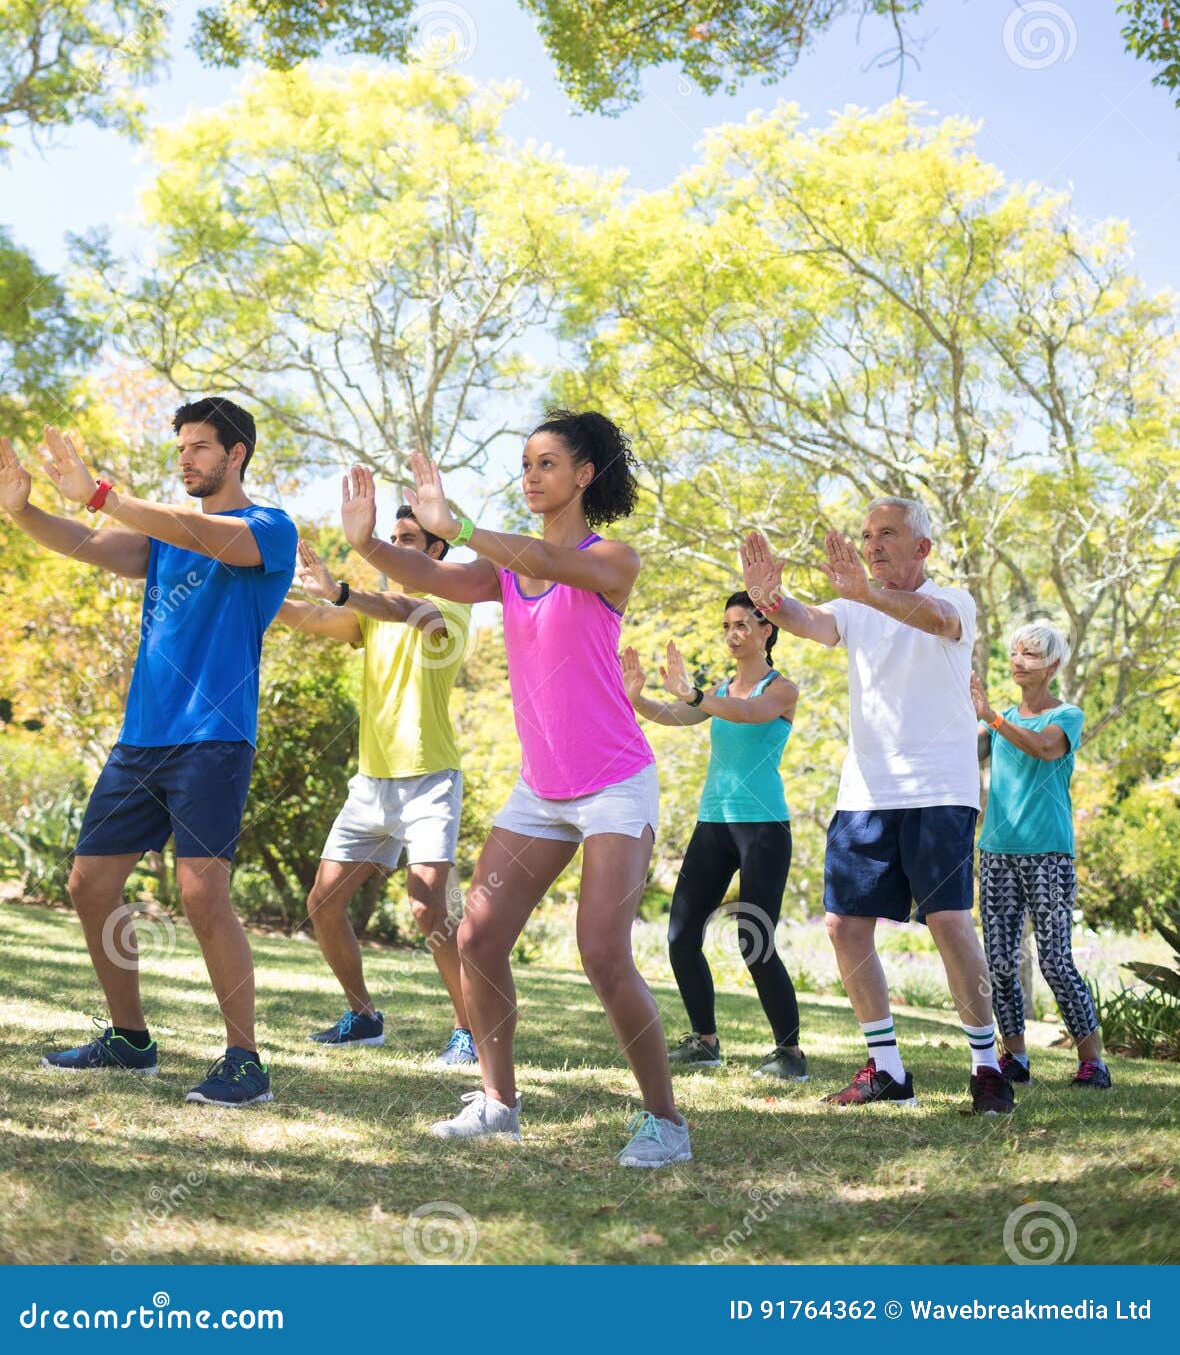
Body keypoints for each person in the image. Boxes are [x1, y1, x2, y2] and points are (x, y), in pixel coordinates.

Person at [340, 410, 690, 1167]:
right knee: (476, 936)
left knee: (601, 951)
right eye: (525, 464)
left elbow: (544, 559)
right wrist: (366, 544)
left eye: (548, 464)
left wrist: (459, 521)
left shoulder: (612, 560)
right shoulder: (503, 567)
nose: (531, 476)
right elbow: (430, 576)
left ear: (584, 475)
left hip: (613, 785)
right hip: (542, 790)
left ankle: (666, 1121)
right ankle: (499, 1104)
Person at [0, 402, 296, 1107]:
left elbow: (196, 530)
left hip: (214, 740)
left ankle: (245, 1061)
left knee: (202, 892)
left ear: (238, 454)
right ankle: (130, 1041)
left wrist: (106, 494)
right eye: (182, 449)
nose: (187, 459)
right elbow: (90, 544)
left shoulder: (268, 529)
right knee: (88, 885)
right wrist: (23, 513)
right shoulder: (160, 537)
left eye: (201, 447)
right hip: (142, 741)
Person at [742, 501, 1015, 1115]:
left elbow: (937, 619)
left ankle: (985, 1065)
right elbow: (809, 621)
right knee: (843, 925)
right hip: (866, 792)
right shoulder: (853, 608)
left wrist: (864, 593)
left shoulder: (955, 601)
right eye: (866, 536)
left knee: (948, 922)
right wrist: (770, 602)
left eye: (886, 533)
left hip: (940, 790)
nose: (872, 544)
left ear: (922, 548)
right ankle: (887, 1069)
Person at [275, 509, 475, 1066]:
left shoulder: (450, 607)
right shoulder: (366, 615)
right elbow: (311, 619)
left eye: (407, 541)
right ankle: (363, 1017)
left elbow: (406, 609)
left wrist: (340, 589)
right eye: (390, 540)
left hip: (430, 779)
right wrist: (254, 590)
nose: (393, 549)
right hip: (371, 783)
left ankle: (470, 1029)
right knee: (323, 902)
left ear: (435, 554)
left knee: (428, 911)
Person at [621, 592, 807, 1081]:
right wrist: (636, 696)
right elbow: (676, 716)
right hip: (714, 822)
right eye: (727, 625)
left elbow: (747, 714)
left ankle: (790, 1053)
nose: (732, 633)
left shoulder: (781, 689)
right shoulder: (722, 687)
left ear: (767, 630)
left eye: (742, 624)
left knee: (755, 939)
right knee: (681, 934)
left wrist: (695, 695)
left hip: (763, 826)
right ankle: (705, 1041)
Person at [973, 621, 1110, 1089]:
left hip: (1048, 853)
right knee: (999, 962)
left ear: (1052, 665)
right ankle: (1015, 1058)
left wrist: (992, 717)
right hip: (995, 854)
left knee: (1054, 960)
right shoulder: (1001, 720)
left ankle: (1092, 1061)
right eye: (1015, 653)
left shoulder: (1066, 715)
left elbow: (1045, 748)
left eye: (1030, 655)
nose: (1018, 662)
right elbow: (961, 756)